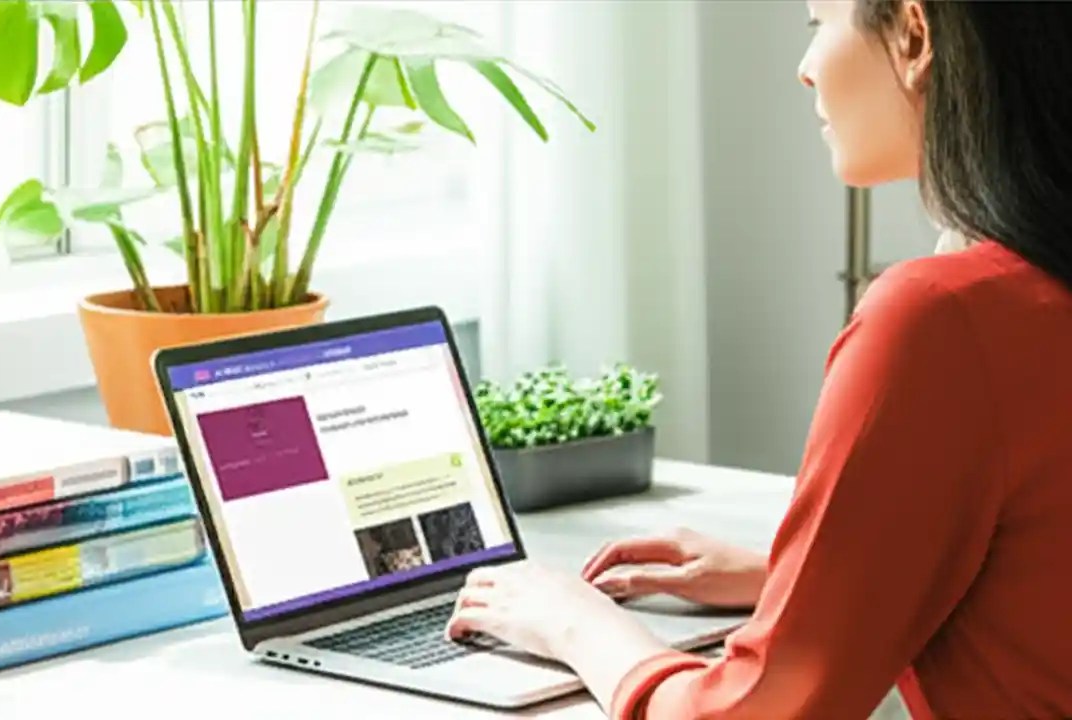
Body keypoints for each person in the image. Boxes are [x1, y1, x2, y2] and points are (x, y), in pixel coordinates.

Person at [444, 1, 1072, 718]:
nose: (805, 71)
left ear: (914, 32)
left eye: (817, 25)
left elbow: (757, 712)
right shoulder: (1027, 296)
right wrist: (802, 578)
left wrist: (572, 621)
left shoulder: (944, 319)